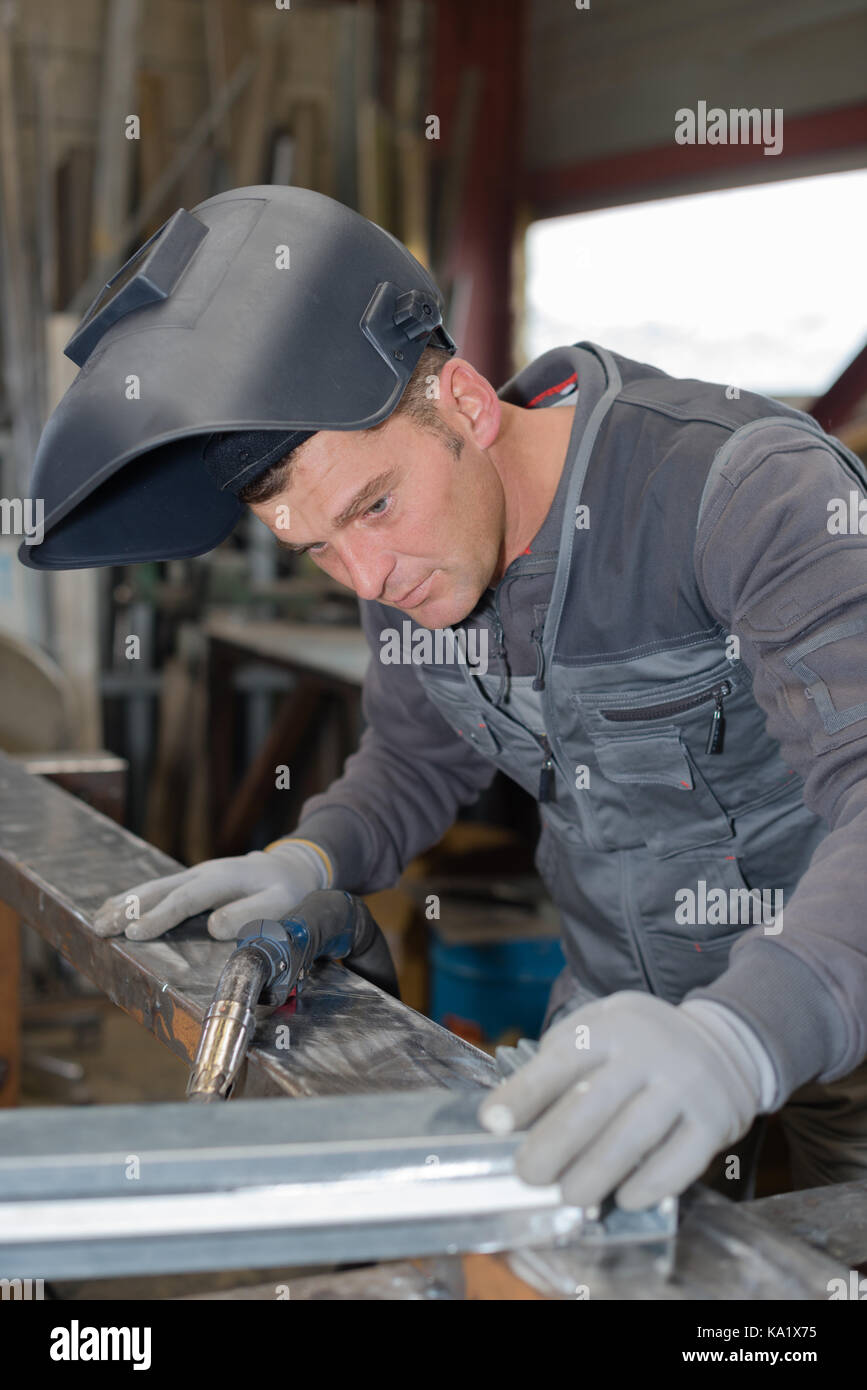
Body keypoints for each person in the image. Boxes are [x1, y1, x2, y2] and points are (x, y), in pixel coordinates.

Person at [23, 185, 867, 1211]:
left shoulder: (744, 492)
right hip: (612, 1017)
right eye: (318, 547)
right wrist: (309, 856)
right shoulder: (415, 564)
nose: (368, 576)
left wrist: (738, 1040)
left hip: (837, 1005)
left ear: (465, 403)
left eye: (373, 507)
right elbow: (418, 756)